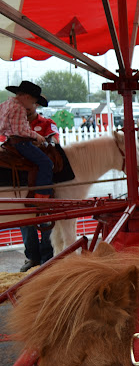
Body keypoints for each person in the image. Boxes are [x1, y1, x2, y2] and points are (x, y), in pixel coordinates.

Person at [18, 96, 59, 272]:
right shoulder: (15, 124)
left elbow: (56, 142)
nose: (26, 107)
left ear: (36, 104)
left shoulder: (47, 123)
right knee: (25, 220)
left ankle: (46, 259)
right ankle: (32, 258)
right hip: (21, 178)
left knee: (45, 219)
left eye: (30, 103)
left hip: (42, 178)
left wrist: (38, 142)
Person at [0, 81, 53, 201]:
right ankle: (41, 197)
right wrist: (36, 136)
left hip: (9, 142)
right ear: (27, 97)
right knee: (46, 163)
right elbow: (20, 131)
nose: (33, 105)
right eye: (33, 102)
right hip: (21, 143)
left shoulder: (5, 104)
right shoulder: (19, 108)